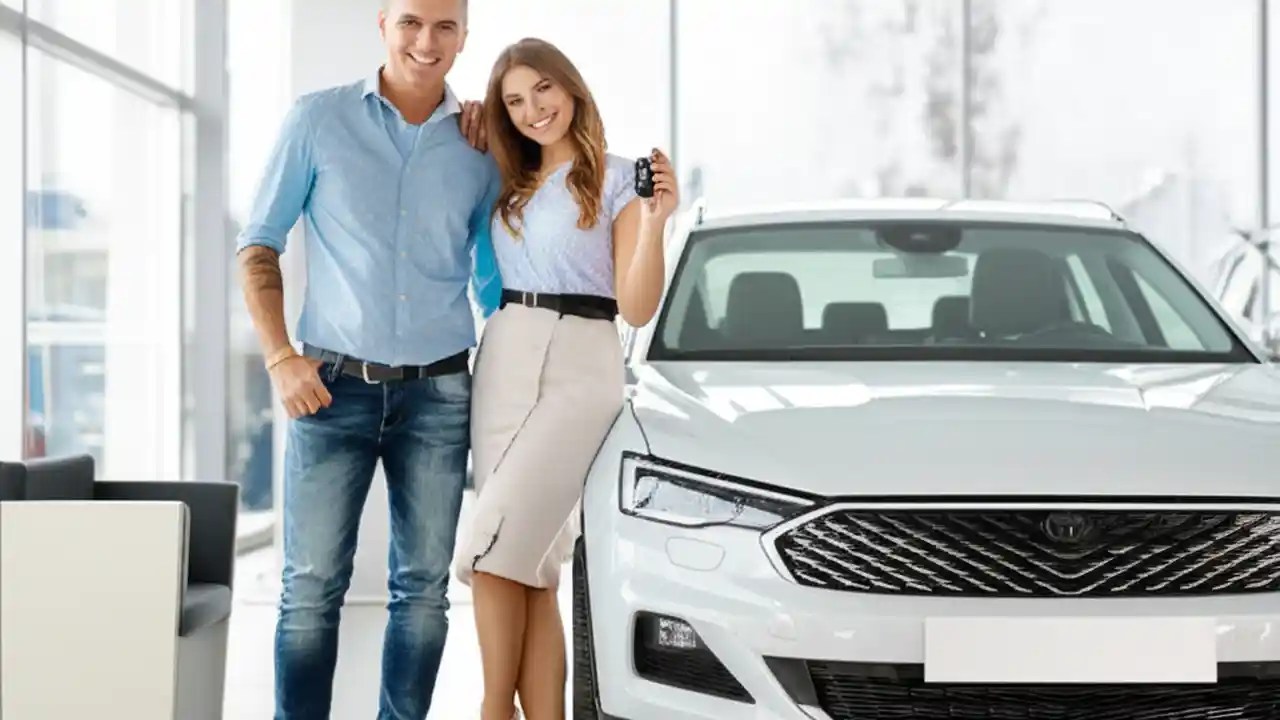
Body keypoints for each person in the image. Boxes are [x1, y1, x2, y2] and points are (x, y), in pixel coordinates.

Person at [234, 0, 499, 718]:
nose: (426, 41)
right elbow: (258, 244)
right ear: (382, 24)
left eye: (445, 27)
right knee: (310, 587)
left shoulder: (481, 147)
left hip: (441, 393)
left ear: (464, 37)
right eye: (411, 21)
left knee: (424, 591)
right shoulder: (317, 121)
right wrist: (279, 356)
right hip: (329, 387)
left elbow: (496, 269)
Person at [452, 38, 680, 720]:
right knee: (533, 569)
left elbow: (636, 306)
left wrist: (656, 224)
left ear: (571, 86)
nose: (533, 110)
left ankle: (494, 710)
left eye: (542, 89)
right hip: (505, 353)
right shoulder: (509, 178)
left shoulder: (619, 178)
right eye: (515, 101)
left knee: (491, 551)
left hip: (582, 360)